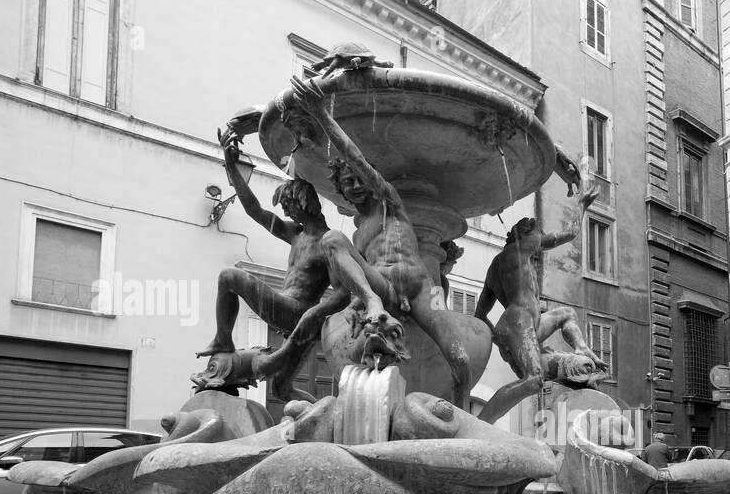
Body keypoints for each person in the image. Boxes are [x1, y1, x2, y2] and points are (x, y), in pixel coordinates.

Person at [289, 75, 475, 407]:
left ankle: (461, 414)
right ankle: (373, 303)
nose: (354, 185)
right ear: (342, 191)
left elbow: (354, 156)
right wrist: (336, 310)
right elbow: (349, 279)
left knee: (459, 357)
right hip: (382, 289)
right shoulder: (358, 234)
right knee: (332, 239)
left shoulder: (390, 202)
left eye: (358, 179)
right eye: (347, 183)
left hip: (420, 288)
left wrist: (321, 115)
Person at [197, 128, 336, 357]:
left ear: (302, 203)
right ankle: (222, 340)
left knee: (229, 276)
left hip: (297, 313)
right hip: (284, 307)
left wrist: (315, 315)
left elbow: (343, 293)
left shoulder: (328, 243)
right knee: (280, 383)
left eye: (288, 207)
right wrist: (232, 167)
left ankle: (223, 340)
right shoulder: (295, 233)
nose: (287, 214)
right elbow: (255, 210)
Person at [471, 190, 605, 424]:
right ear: (524, 233)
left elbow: (480, 314)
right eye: (538, 233)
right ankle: (481, 423)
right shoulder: (521, 247)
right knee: (533, 380)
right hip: (519, 322)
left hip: (525, 325)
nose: (541, 237)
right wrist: (581, 206)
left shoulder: (495, 266)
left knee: (567, 314)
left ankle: (581, 348)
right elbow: (568, 234)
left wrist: (498, 339)